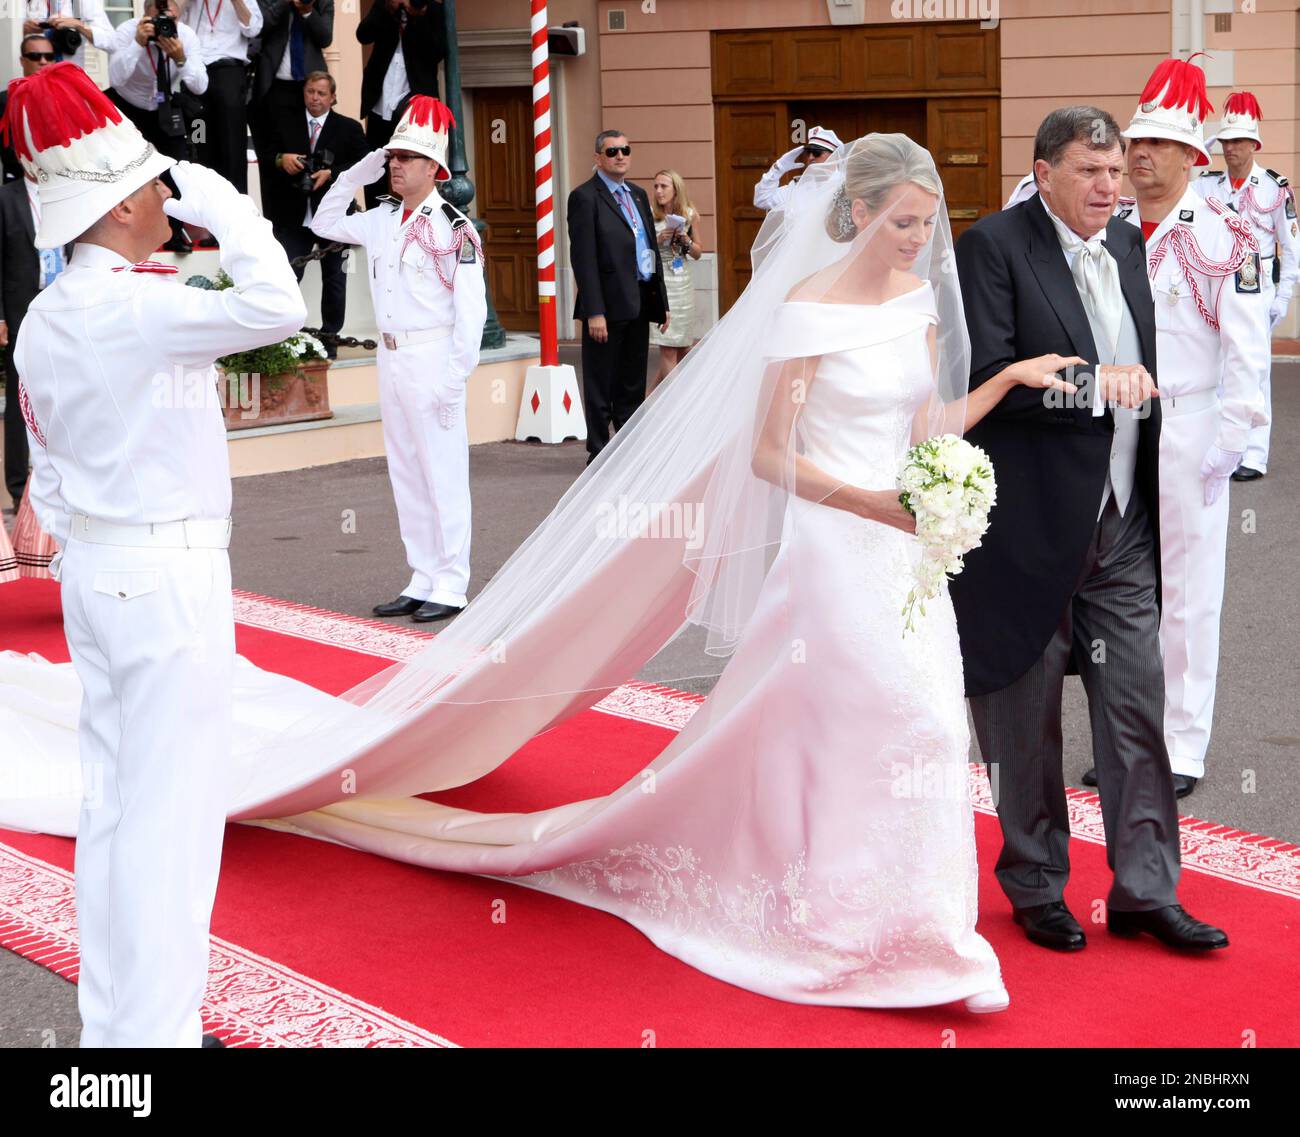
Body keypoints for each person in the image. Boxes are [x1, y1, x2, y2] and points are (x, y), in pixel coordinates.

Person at [6, 133, 1091, 1012]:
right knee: (883, 720)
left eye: (926, 221)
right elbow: (769, 455)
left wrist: (994, 398)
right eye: (903, 219)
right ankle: (854, 921)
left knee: (918, 728)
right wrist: (874, 500)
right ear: (857, 213)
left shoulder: (914, 305)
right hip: (838, 543)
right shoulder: (805, 313)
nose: (920, 238)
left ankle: (915, 923)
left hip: (899, 550)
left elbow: (924, 421)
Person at [8, 61, 305, 1047]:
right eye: (157, 186)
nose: (168, 199)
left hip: (96, 574)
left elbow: (45, 466)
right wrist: (230, 200)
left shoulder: (52, 315)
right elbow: (279, 308)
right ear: (127, 201)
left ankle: (113, 1043)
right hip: (166, 579)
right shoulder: (139, 307)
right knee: (171, 831)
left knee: (114, 812)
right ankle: (154, 1044)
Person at [951, 103, 1230, 953]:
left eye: (1117, 172)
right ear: (1044, 174)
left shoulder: (1127, 243)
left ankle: (1147, 889)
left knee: (1137, 710)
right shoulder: (993, 248)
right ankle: (1036, 883)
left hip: (1121, 526)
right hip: (1027, 529)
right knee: (1024, 720)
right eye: (1092, 172)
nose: (1113, 186)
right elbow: (989, 378)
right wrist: (1092, 386)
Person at [1098, 60, 1268, 799]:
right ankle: (1128, 738)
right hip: (1113, 429)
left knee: (1191, 591)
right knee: (1117, 594)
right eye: (1136, 141)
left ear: (1193, 157)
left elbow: (1247, 348)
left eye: (1160, 145)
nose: (1140, 156)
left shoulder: (1222, 234)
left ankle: (1183, 744)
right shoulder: (1104, 231)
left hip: (1191, 422)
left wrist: (1234, 437)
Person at [311, 96, 486, 622]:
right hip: (390, 360)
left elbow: (470, 311)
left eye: (405, 158)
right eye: (391, 157)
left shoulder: (454, 229)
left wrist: (456, 379)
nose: (395, 165)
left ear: (434, 167)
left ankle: (452, 582)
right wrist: (359, 168)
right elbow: (323, 221)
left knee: (443, 472)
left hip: (433, 355)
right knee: (407, 470)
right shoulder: (382, 219)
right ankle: (423, 574)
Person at [1194, 91, 1299, 483]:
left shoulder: (1274, 187)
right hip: (1216, 285)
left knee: (1254, 368)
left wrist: (1284, 296)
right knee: (1216, 366)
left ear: (1254, 144)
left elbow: (1292, 248)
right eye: (1225, 141)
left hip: (1257, 289)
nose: (1231, 149)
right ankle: (1223, 445)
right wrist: (1207, 142)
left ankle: (1254, 455)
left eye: (1238, 141)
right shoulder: (1207, 187)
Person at [567, 130, 669, 463]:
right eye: (612, 152)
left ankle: (629, 450)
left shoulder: (638, 194)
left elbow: (650, 249)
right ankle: (598, 451)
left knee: (632, 380)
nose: (620, 156)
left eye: (625, 149)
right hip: (606, 306)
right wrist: (594, 311)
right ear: (598, 158)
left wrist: (661, 302)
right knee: (601, 382)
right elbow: (583, 258)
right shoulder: (585, 197)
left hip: (638, 297)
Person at [266, 71, 367, 357]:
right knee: (286, 275)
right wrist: (281, 158)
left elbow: (365, 162)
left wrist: (332, 173)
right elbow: (268, 153)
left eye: (322, 93)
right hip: (293, 216)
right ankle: (281, 338)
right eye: (311, 91)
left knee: (335, 280)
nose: (315, 97)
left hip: (333, 217)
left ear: (333, 97)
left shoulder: (348, 128)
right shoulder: (285, 122)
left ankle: (330, 341)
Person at [106, 0, 208, 254]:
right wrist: (137, 45)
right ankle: (122, 237)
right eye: (157, 16)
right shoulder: (128, 31)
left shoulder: (185, 35)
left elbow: (200, 86)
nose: (163, 23)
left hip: (164, 107)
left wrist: (181, 59)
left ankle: (174, 233)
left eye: (169, 18)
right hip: (128, 104)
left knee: (174, 169)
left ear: (177, 16)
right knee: (125, 172)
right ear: (146, 12)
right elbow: (116, 78)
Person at [1, 171, 72, 508]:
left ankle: (70, 480)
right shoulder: (6, 198)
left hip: (66, 306)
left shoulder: (67, 190)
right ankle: (19, 488)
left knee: (70, 393)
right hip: (22, 310)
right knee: (20, 399)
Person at [356, 0, 447, 210]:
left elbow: (438, 50)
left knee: (414, 165)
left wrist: (417, 14)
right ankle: (375, 217)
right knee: (375, 165)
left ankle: (417, 216)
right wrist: (388, 8)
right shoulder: (385, 5)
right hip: (381, 100)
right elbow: (363, 35)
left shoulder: (433, 9)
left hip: (414, 103)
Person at [250, 0, 334, 213]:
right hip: (273, 87)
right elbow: (259, 27)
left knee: (310, 157)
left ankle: (310, 219)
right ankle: (273, 223)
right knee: (272, 158)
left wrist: (307, 11)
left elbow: (325, 37)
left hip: (308, 88)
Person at [182, 0, 262, 195]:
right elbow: (173, 18)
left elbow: (254, 28)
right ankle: (201, 205)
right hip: (194, 71)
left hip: (227, 71)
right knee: (198, 139)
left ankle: (235, 206)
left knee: (231, 144)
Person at [647, 169, 702, 393]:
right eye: (656, 186)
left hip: (683, 281)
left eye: (664, 186)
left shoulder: (690, 214)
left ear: (676, 189)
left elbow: (698, 253)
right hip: (662, 283)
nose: (659, 191)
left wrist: (686, 240)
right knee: (668, 349)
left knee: (682, 348)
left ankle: (648, 398)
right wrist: (657, 240)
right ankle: (676, 405)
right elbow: (642, 252)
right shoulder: (649, 215)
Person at [0, 35, 58, 183]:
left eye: (49, 56)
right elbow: (8, 151)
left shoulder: (69, 98)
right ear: (22, 60)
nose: (43, 61)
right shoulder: (4, 100)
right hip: (22, 183)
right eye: (35, 56)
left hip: (63, 183)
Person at [753, 125, 843, 213]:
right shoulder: (798, 186)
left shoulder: (845, 184)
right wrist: (778, 168)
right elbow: (761, 200)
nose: (811, 157)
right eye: (808, 153)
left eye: (817, 152)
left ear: (834, 155)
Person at [22, 0, 114, 71]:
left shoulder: (85, 2)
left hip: (69, 80)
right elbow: (8, 41)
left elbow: (111, 42)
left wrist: (79, 25)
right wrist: (22, 30)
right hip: (34, 80)